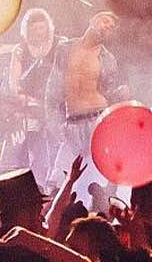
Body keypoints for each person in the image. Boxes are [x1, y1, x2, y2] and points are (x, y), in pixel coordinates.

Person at [48, 12, 130, 179]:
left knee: (98, 177)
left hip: (97, 121)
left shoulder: (108, 59)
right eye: (104, 21)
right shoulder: (65, 49)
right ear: (92, 20)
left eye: (111, 27)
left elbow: (107, 93)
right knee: (58, 180)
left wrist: (119, 94)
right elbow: (53, 89)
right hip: (72, 123)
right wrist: (55, 124)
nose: (107, 26)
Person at [8, 7, 60, 177]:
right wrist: (24, 99)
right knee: (34, 152)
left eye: (42, 27)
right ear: (27, 30)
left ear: (48, 27)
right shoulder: (20, 50)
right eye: (34, 28)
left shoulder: (59, 45)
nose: (39, 32)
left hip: (55, 105)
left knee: (57, 148)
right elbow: (14, 84)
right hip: (31, 108)